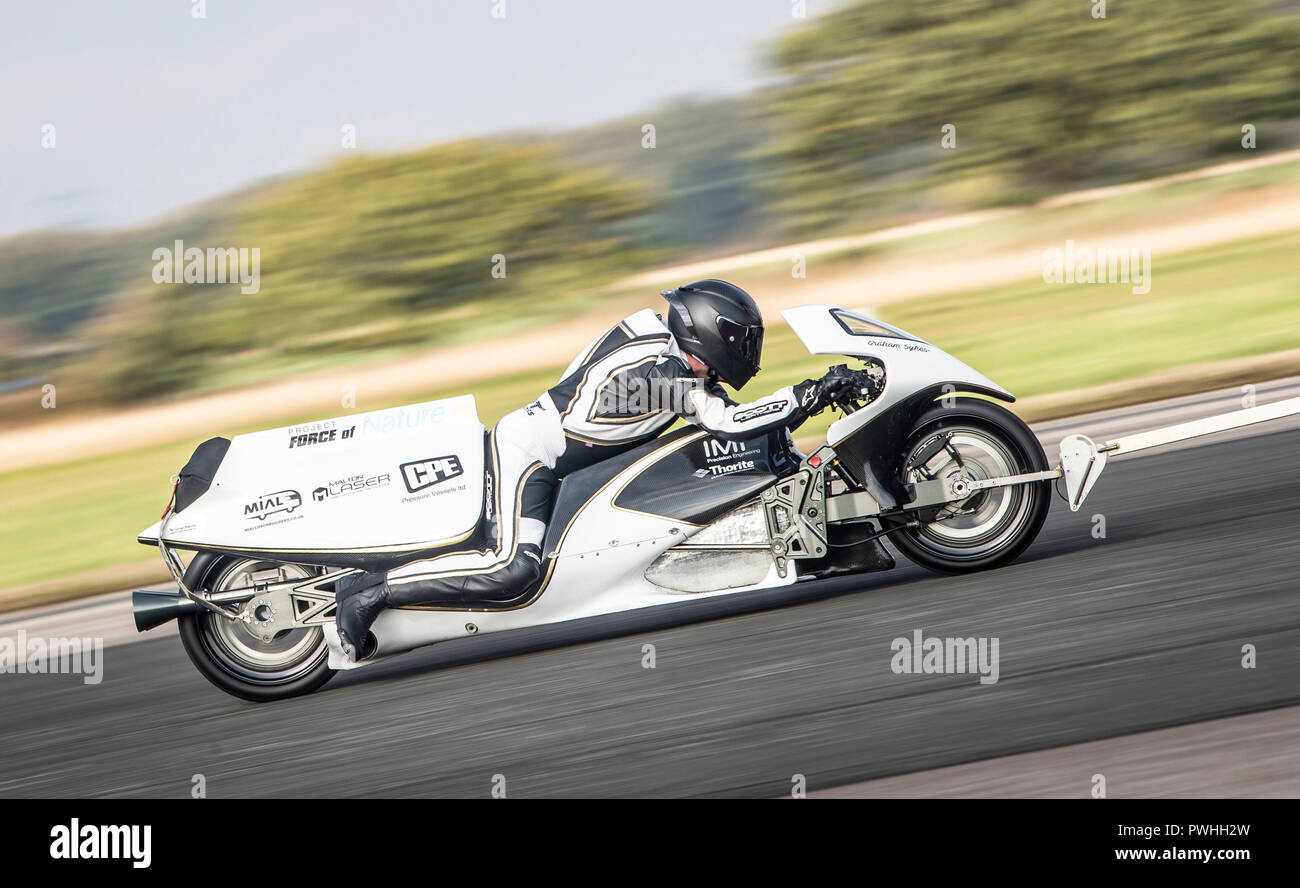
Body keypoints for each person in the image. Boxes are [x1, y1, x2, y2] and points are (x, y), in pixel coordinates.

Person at [334, 279, 855, 660]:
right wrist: (807, 394)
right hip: (529, 454)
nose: (750, 352)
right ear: (709, 335)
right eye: (743, 340)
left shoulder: (657, 343)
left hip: (545, 451)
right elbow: (727, 421)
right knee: (515, 571)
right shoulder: (660, 375)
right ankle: (370, 591)